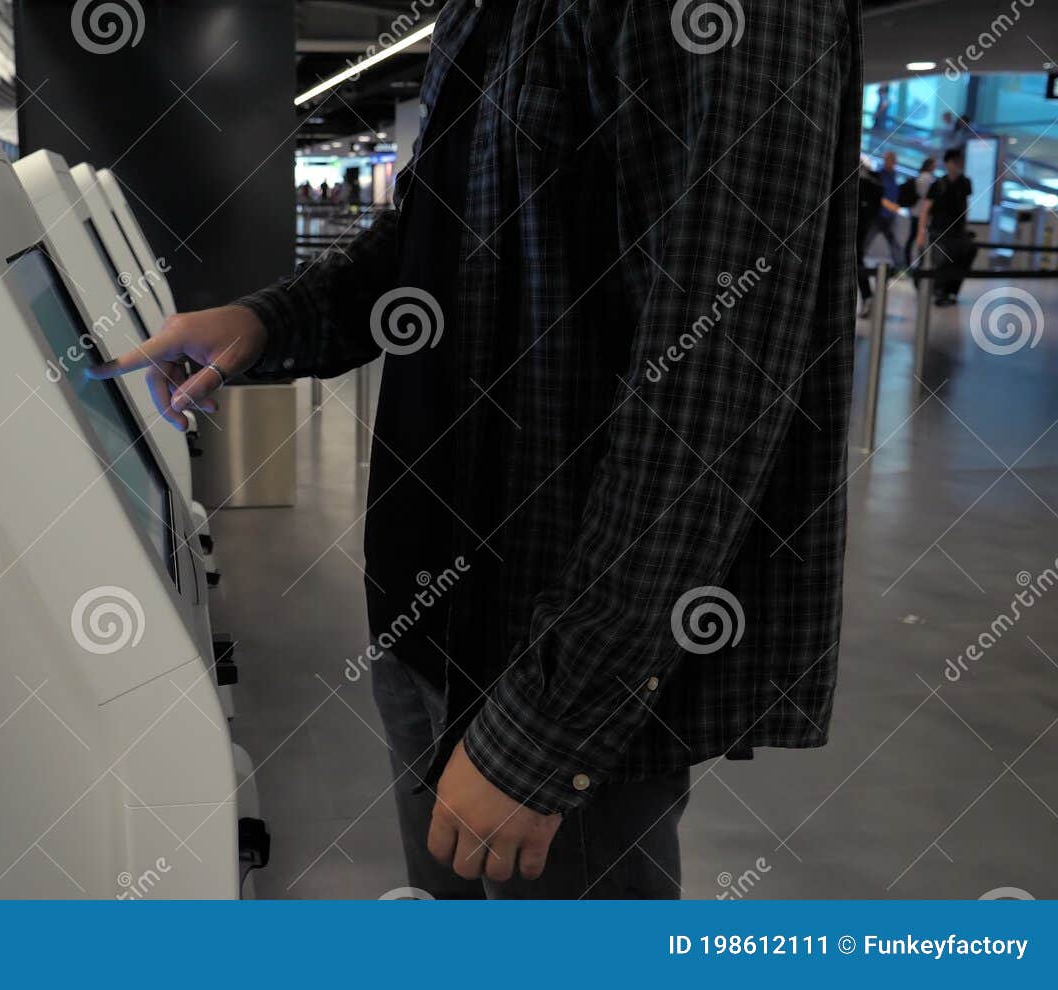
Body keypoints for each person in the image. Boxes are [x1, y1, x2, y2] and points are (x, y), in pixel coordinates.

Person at [92, 1, 856, 898]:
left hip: (553, 644)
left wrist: (551, 728)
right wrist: (266, 322)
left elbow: (715, 387)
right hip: (432, 610)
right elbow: (430, 232)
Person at [916, 148, 977, 306]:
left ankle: (952, 291)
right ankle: (939, 291)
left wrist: (965, 226)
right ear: (947, 163)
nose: (958, 164)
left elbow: (965, 206)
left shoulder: (965, 182)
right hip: (939, 230)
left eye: (959, 161)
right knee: (944, 259)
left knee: (968, 253)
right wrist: (921, 232)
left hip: (958, 230)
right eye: (954, 161)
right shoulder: (938, 184)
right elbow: (925, 209)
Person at [899, 156, 936, 273]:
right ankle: (920, 264)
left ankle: (908, 262)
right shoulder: (929, 180)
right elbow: (929, 199)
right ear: (930, 166)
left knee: (912, 239)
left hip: (915, 212)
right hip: (924, 214)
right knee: (921, 240)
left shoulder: (918, 178)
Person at [868, 151, 904, 268]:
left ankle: (900, 266)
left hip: (890, 216)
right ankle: (857, 261)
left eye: (893, 160)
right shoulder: (879, 175)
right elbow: (877, 195)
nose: (892, 162)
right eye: (890, 159)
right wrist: (888, 205)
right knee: (866, 240)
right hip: (878, 215)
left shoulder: (894, 176)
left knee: (894, 243)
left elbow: (895, 194)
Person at [857, 161, 883, 318]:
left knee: (857, 261)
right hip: (862, 228)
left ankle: (867, 297)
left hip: (859, 229)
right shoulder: (871, 182)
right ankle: (867, 297)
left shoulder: (867, 183)